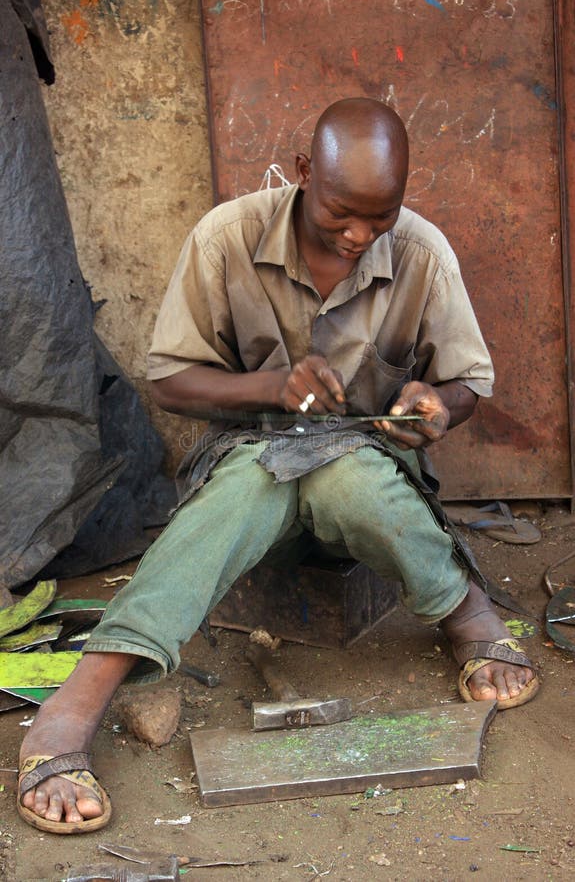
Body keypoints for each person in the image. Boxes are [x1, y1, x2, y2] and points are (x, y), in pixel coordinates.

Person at [17, 98, 539, 834]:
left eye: (380, 216)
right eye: (340, 214)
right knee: (266, 467)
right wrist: (270, 387)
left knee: (341, 469)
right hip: (244, 465)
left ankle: (465, 613)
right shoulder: (227, 237)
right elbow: (168, 380)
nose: (359, 235)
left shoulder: (420, 251)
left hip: (368, 475)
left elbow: (466, 385)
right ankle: (77, 704)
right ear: (302, 174)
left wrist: (438, 404)